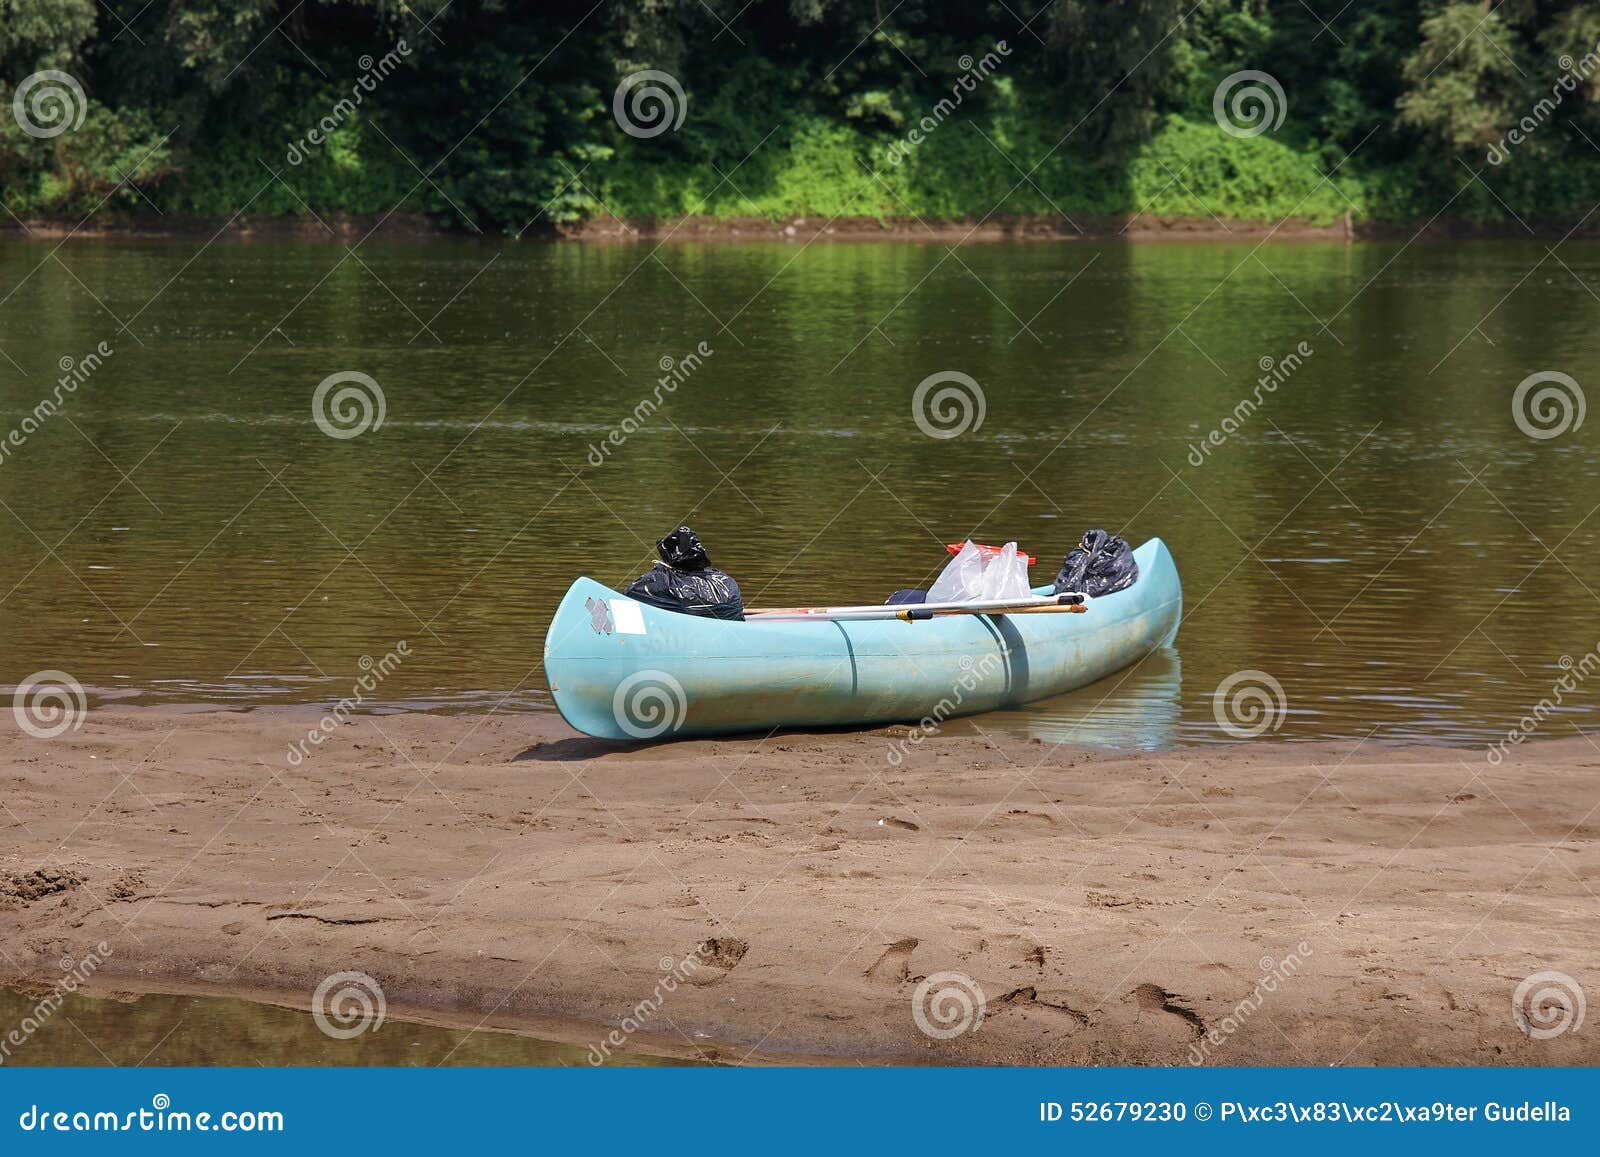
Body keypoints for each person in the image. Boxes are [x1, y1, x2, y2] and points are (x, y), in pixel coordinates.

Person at [624, 526, 745, 620]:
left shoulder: (661, 581)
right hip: (730, 627)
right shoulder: (725, 580)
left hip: (686, 631)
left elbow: (626, 600)